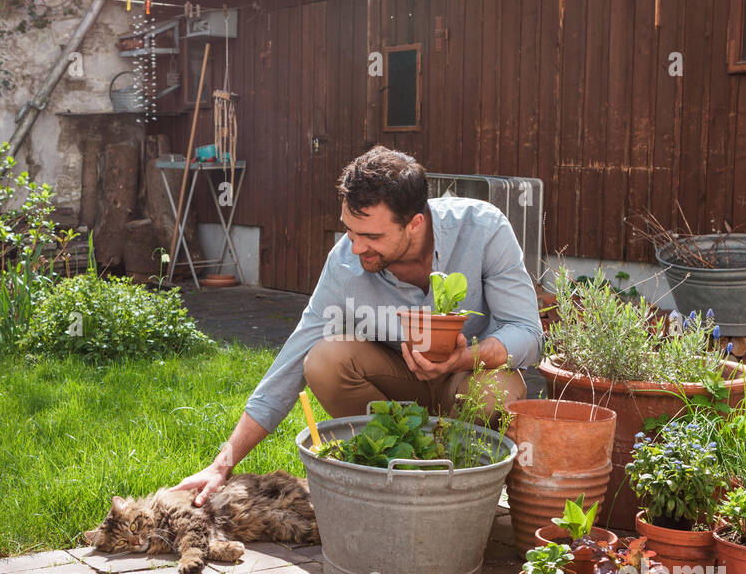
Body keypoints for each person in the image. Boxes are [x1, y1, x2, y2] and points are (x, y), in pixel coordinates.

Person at [176, 146, 542, 505]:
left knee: (501, 388)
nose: (355, 248)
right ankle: (401, 462)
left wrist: (462, 359)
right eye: (350, 232)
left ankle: (463, 484)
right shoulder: (345, 264)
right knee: (322, 360)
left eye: (372, 237)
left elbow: (527, 332)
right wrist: (222, 464)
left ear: (415, 222)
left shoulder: (483, 229)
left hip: (465, 378)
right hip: (396, 383)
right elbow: (291, 360)